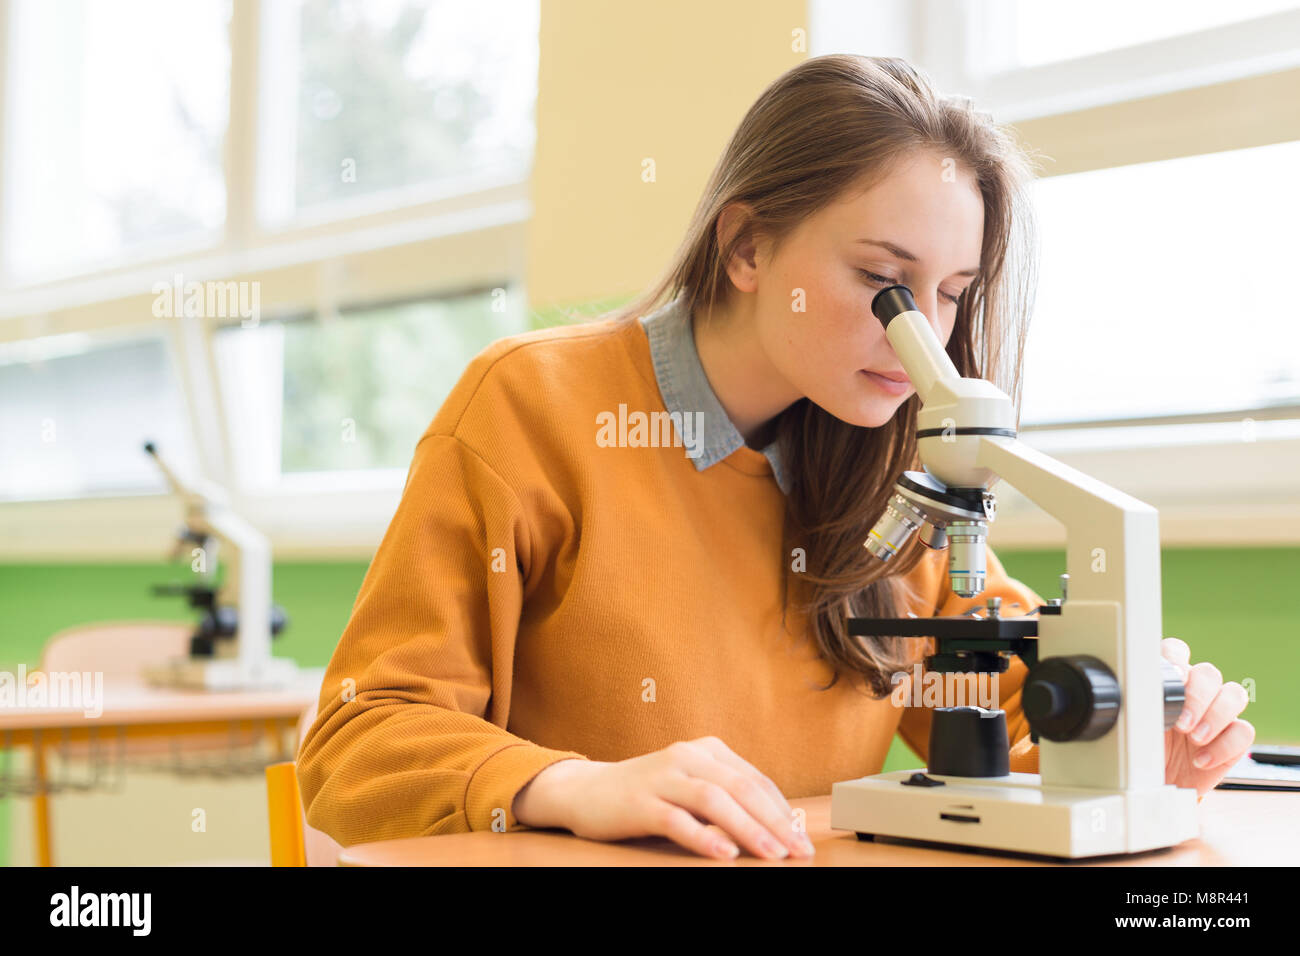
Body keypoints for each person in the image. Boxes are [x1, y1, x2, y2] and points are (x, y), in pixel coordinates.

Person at [296, 54, 1254, 862]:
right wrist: (573, 786)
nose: (925, 332)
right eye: (884, 281)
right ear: (748, 246)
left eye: (955, 292)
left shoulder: (898, 481)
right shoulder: (531, 408)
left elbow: (1001, 740)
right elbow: (356, 745)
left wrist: (1142, 742)